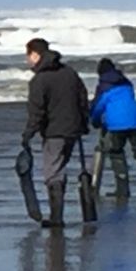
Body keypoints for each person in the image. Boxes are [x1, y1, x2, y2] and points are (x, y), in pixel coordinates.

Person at [21, 38, 89, 228]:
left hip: (54, 132)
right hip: (72, 130)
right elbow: (82, 99)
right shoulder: (69, 73)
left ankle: (57, 218)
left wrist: (28, 133)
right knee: (59, 168)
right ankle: (57, 214)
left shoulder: (39, 80)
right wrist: (83, 123)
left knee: (53, 172)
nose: (28, 61)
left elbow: (37, 111)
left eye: (28, 56)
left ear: (35, 54)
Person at [90, 58, 136, 199]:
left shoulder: (103, 86)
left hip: (115, 125)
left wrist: (95, 121)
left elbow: (98, 107)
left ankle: (122, 189)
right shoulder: (126, 82)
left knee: (116, 153)